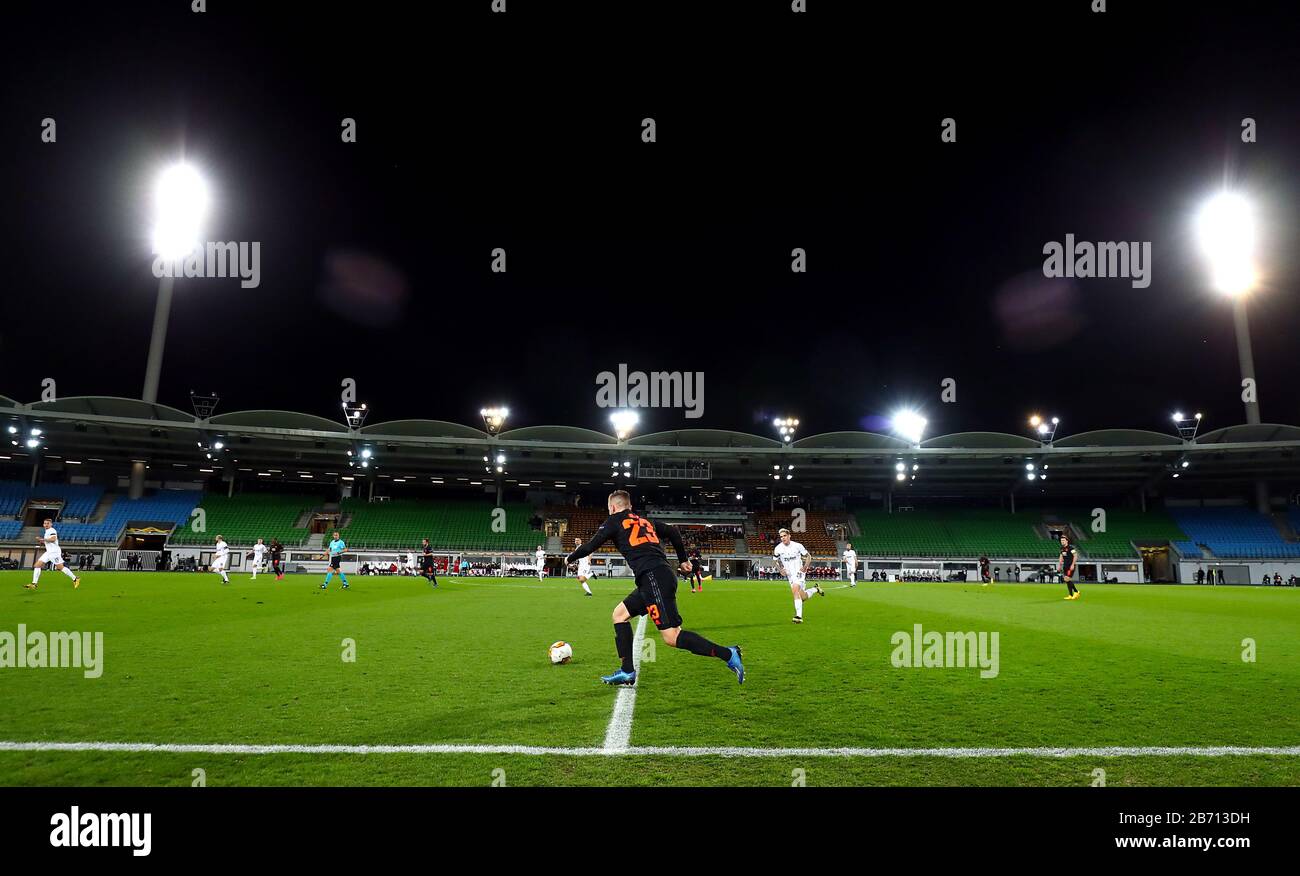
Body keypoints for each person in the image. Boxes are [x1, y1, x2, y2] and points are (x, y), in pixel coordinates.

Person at [566, 490, 743, 687]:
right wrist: (683, 560)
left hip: (653, 578)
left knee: (672, 636)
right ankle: (627, 671)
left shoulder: (614, 520)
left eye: (610, 509)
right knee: (619, 615)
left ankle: (728, 654)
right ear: (630, 506)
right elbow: (673, 532)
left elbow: (590, 546)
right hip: (654, 577)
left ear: (613, 508)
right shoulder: (645, 521)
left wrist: (569, 557)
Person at [775, 527, 820, 623]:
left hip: (799, 572)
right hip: (790, 575)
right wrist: (780, 570)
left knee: (795, 590)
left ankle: (798, 617)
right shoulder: (778, 548)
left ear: (789, 536)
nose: (783, 538)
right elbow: (775, 561)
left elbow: (808, 556)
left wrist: (805, 567)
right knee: (802, 596)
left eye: (785, 536)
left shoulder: (797, 546)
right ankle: (816, 589)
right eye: (781, 536)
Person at [25, 517, 81, 591]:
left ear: (51, 524)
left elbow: (53, 539)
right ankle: (34, 584)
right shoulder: (47, 531)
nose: (46, 525)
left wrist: (43, 539)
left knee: (60, 567)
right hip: (49, 552)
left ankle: (75, 578)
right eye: (45, 523)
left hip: (54, 552)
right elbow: (50, 541)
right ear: (43, 524)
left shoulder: (52, 530)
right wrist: (42, 541)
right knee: (37, 565)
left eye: (48, 523)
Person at [1058, 536, 1080, 600]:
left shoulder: (1071, 548)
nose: (1062, 542)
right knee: (1067, 580)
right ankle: (1070, 595)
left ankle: (1076, 591)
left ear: (1067, 541)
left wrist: (1073, 564)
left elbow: (1075, 556)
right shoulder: (1061, 548)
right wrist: (1059, 565)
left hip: (1070, 566)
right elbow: (1061, 557)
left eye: (1063, 540)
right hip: (1065, 566)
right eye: (1061, 541)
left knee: (1067, 579)